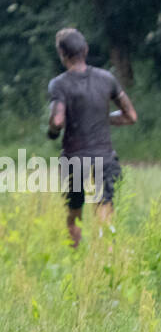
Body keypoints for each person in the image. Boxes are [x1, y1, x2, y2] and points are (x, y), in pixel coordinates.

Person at [45, 28, 137, 247]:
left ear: (62, 54)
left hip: (75, 158)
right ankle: (106, 255)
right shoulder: (107, 79)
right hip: (105, 156)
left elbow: (57, 120)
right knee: (104, 206)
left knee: (74, 210)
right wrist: (104, 117)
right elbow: (130, 116)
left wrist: (52, 132)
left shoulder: (59, 84)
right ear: (85, 50)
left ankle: (76, 255)